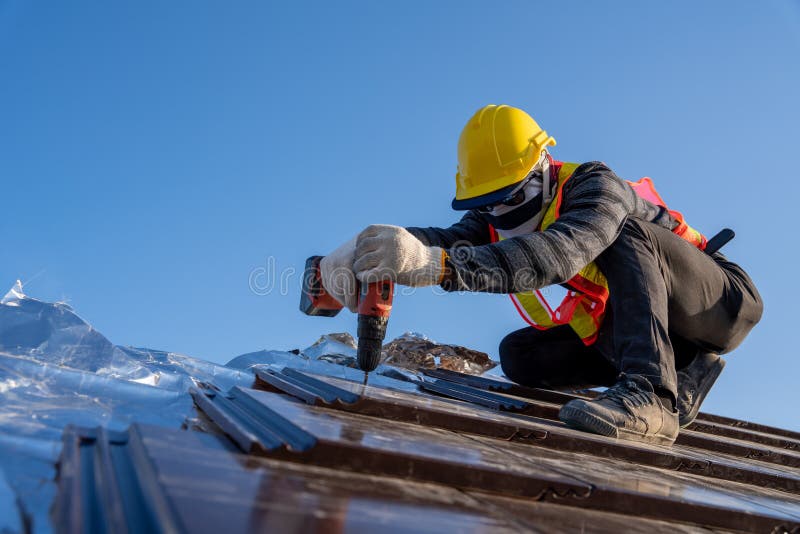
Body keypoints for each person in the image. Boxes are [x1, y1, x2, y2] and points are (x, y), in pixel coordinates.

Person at [319, 104, 763, 445]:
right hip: (657, 324)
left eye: (509, 197)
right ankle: (685, 368)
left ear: (542, 168)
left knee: (624, 234)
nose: (499, 212)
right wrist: (367, 247)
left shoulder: (595, 188)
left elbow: (558, 254)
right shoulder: (494, 215)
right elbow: (444, 239)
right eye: (486, 203)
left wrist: (438, 266)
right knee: (519, 355)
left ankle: (652, 396)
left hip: (720, 305)